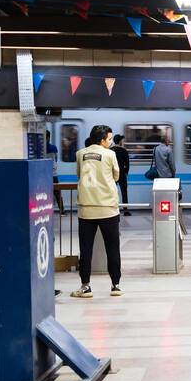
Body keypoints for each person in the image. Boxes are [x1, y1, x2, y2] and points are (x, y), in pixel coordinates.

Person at [72, 124, 122, 299]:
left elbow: (79, 174)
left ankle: (85, 287)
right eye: (109, 139)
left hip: (86, 209)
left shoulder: (80, 154)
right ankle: (115, 285)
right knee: (113, 248)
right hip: (108, 208)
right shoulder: (110, 154)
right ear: (102, 140)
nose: (110, 141)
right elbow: (117, 176)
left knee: (85, 249)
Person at [112, 134, 132, 215]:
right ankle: (125, 210)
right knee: (124, 192)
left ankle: (113, 210)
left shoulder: (110, 150)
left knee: (112, 192)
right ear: (120, 141)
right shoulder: (124, 151)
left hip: (112, 174)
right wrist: (126, 172)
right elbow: (127, 164)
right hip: (122, 174)